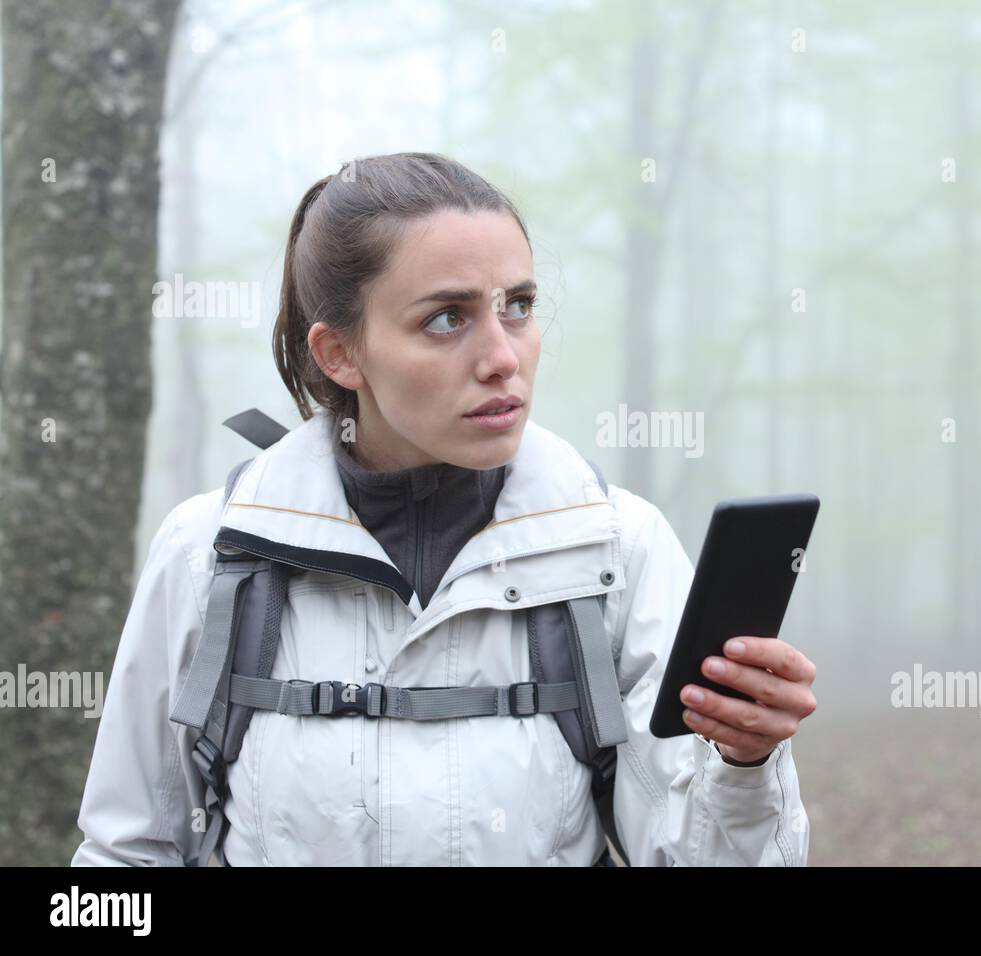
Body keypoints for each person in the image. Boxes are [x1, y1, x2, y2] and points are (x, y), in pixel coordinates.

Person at [71, 152, 817, 866]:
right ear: (340, 354)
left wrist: (743, 762)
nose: (504, 357)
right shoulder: (212, 552)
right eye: (446, 318)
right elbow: (125, 855)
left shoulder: (617, 552)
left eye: (517, 307)